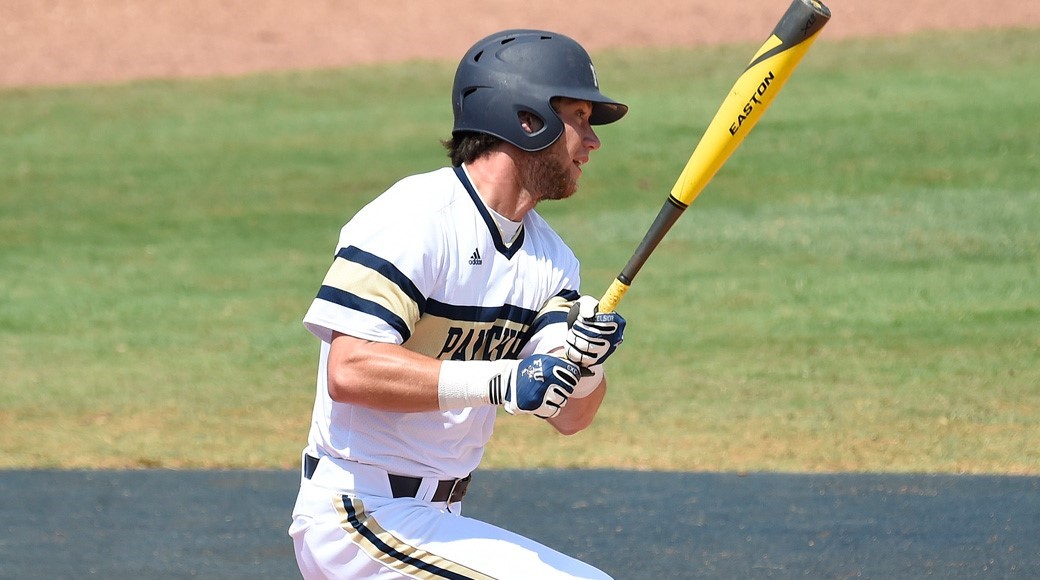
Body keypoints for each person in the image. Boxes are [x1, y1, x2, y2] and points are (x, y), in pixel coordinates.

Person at [289, 28, 629, 579]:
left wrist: (586, 361)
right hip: (359, 515)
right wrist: (501, 380)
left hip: (435, 518)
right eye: (580, 117)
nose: (593, 142)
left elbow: (571, 417)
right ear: (527, 119)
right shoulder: (415, 217)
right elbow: (349, 369)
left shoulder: (551, 259)